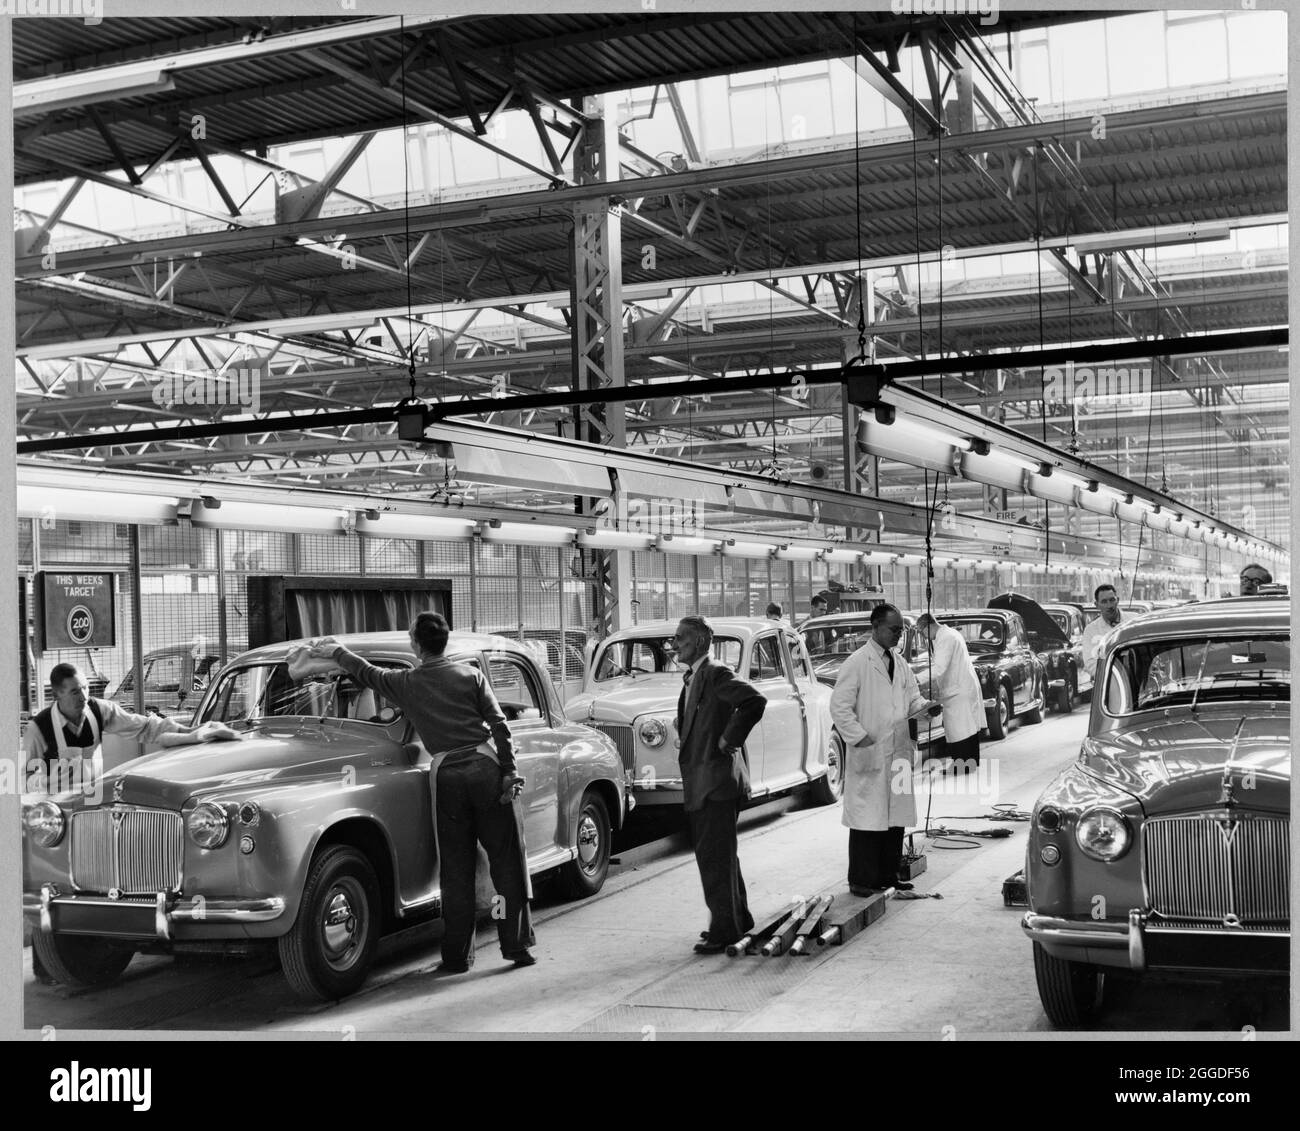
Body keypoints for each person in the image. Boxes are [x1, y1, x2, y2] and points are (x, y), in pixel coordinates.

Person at [310, 612, 535, 973]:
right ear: (443, 641)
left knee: (456, 869)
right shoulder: (470, 675)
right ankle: (517, 947)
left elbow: (367, 673)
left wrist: (338, 651)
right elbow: (499, 724)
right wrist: (509, 771)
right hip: (485, 769)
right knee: (506, 862)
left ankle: (458, 957)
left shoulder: (407, 682)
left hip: (447, 777)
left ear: (416, 644)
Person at [670, 615, 767, 954]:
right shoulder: (695, 676)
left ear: (698, 642)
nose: (675, 643)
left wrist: (730, 737)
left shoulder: (715, 673)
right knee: (722, 857)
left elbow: (754, 701)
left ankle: (724, 932)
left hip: (716, 783)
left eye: (681, 638)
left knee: (714, 859)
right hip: (706, 781)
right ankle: (737, 919)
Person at [829, 604, 939, 895]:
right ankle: (862, 880)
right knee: (868, 820)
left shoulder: (900, 663)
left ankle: (888, 876)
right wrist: (859, 737)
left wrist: (924, 708)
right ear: (876, 627)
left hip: (899, 750)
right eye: (894, 629)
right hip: (872, 751)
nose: (898, 635)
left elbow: (912, 698)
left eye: (901, 630)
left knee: (895, 821)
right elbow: (839, 707)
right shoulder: (857, 663)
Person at [22, 662, 239, 795]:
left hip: (93, 799)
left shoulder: (100, 710)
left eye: (86, 688)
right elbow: (20, 779)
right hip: (56, 809)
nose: (84, 696)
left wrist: (193, 733)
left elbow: (146, 727)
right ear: (57, 695)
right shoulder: (37, 728)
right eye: (75, 692)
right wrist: (46, 782)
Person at [915, 612, 985, 773]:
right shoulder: (949, 634)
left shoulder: (945, 638)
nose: (924, 636)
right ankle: (970, 764)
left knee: (959, 729)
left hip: (958, 689)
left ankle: (961, 766)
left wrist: (916, 679)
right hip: (961, 686)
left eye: (922, 631)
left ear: (929, 625)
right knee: (967, 728)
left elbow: (939, 668)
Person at [1080, 583, 1123, 668]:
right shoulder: (1091, 630)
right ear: (1097, 605)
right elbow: (1090, 664)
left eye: (1112, 600)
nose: (1109, 605)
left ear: (1117, 600)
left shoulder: (1134, 620)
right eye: (1104, 602)